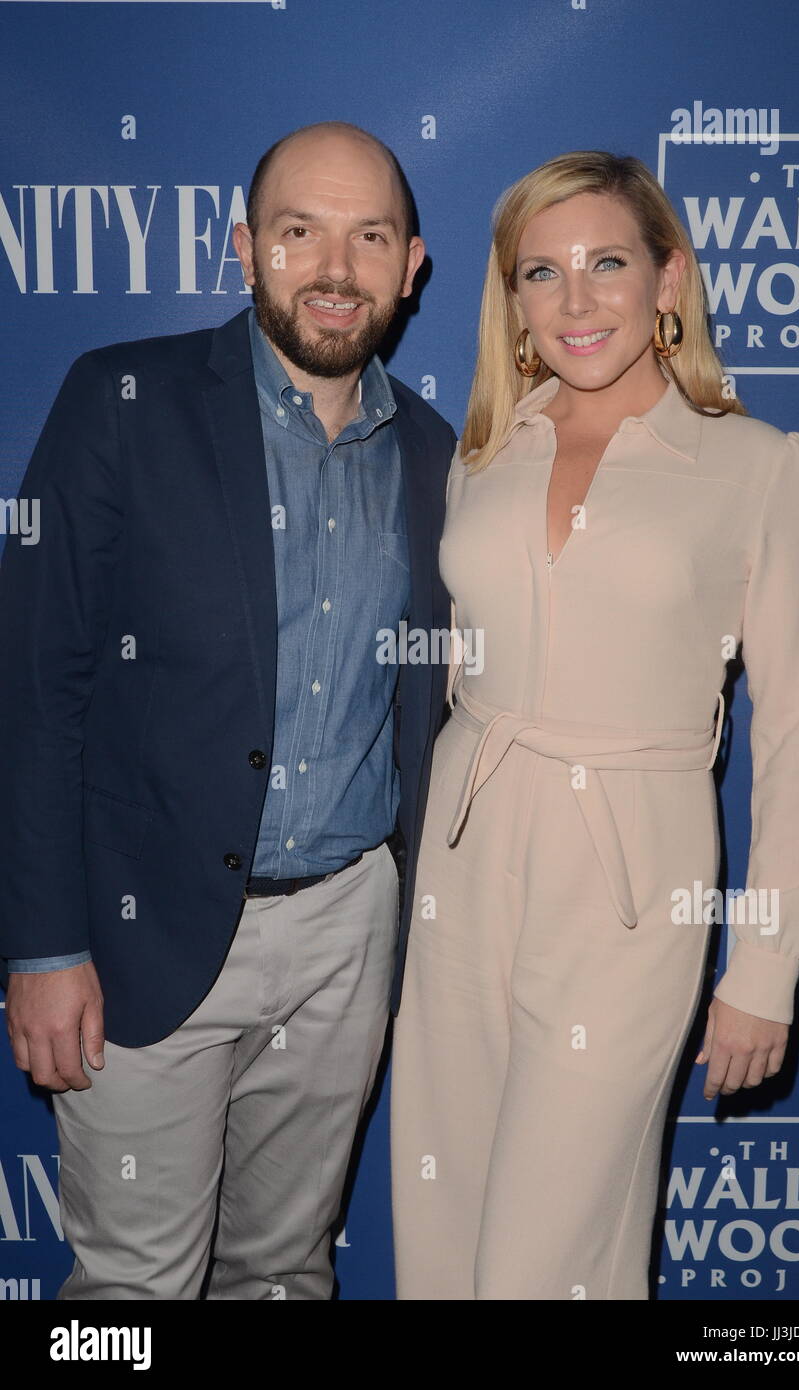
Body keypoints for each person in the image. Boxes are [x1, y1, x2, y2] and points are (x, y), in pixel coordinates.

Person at [0, 120, 456, 1299]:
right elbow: (35, 681)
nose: (335, 268)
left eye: (371, 236)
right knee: (129, 1291)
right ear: (246, 247)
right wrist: (45, 944)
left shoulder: (441, 459)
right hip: (144, 931)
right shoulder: (122, 399)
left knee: (284, 1276)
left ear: (412, 265)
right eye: (301, 232)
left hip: (349, 938)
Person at [389, 150, 799, 1300]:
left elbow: (797, 740)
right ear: (514, 301)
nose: (577, 300)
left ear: (669, 279)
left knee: (549, 1263)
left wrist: (768, 964)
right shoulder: (485, 454)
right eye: (542, 272)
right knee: (446, 1237)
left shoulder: (756, 465)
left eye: (607, 264)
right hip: (465, 839)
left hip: (634, 866)